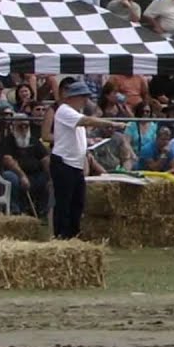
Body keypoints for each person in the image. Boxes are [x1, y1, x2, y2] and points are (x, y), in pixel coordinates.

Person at [49, 81, 125, 239]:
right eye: (83, 97)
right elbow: (87, 121)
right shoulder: (64, 111)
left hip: (74, 163)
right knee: (64, 202)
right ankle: (61, 235)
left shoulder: (74, 113)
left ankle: (73, 234)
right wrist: (112, 123)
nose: (85, 101)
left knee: (77, 203)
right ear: (73, 97)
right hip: (64, 162)